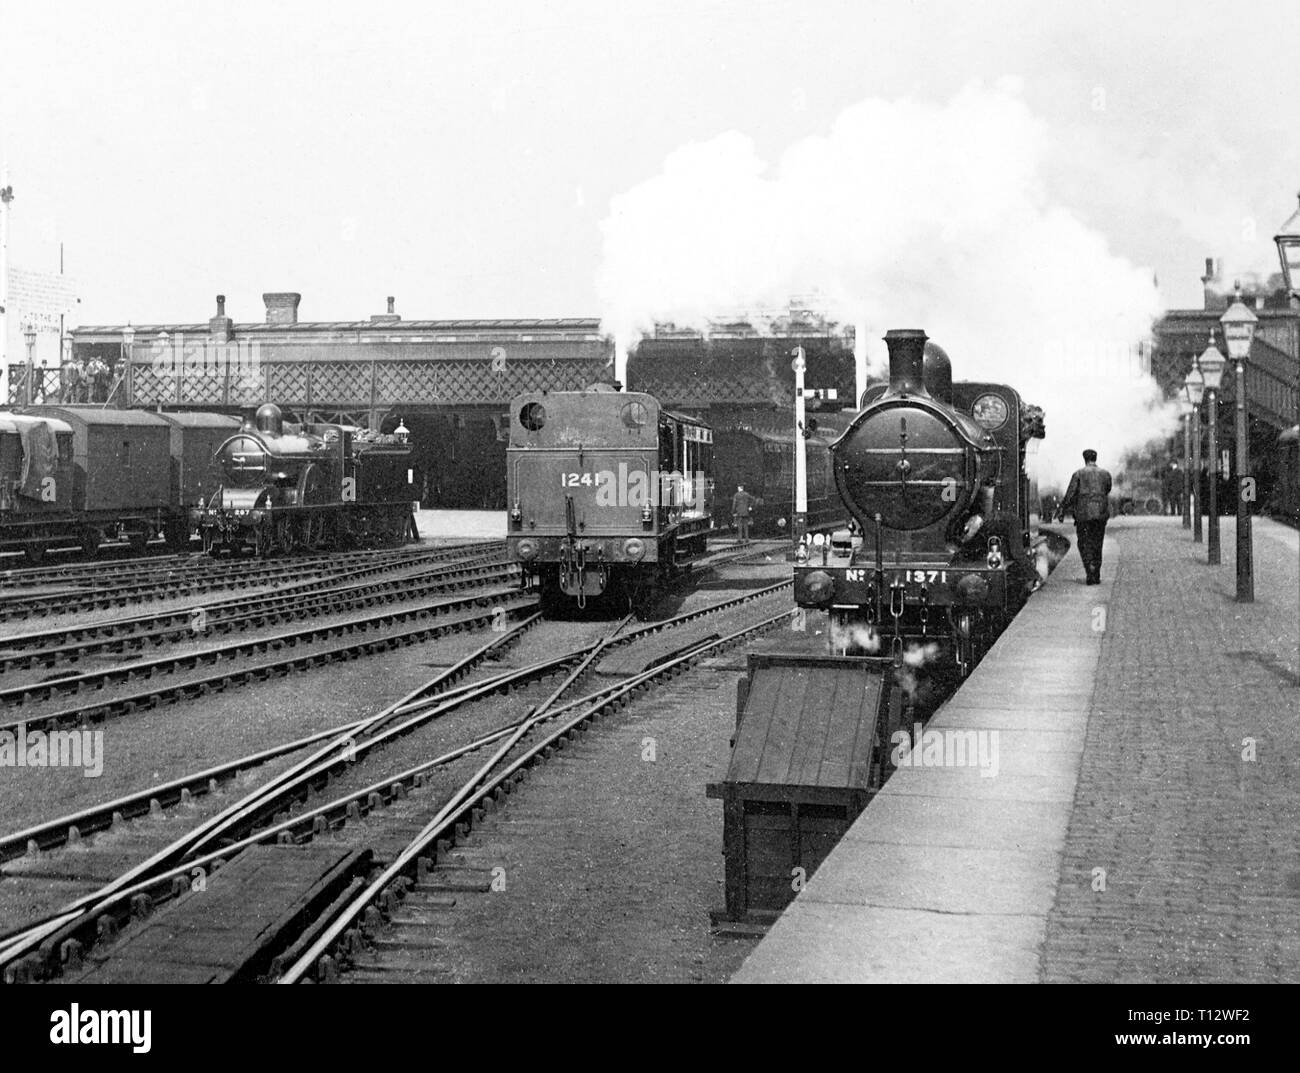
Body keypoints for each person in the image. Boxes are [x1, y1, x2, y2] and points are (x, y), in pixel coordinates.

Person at [1056, 449, 1112, 585]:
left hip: (1083, 515)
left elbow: (1070, 494)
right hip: (1100, 514)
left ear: (1084, 459)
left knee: (1084, 543)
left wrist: (1062, 509)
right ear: (1095, 458)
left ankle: (1089, 571)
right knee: (1098, 544)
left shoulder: (1078, 474)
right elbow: (1108, 489)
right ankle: (1096, 573)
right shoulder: (1105, 474)